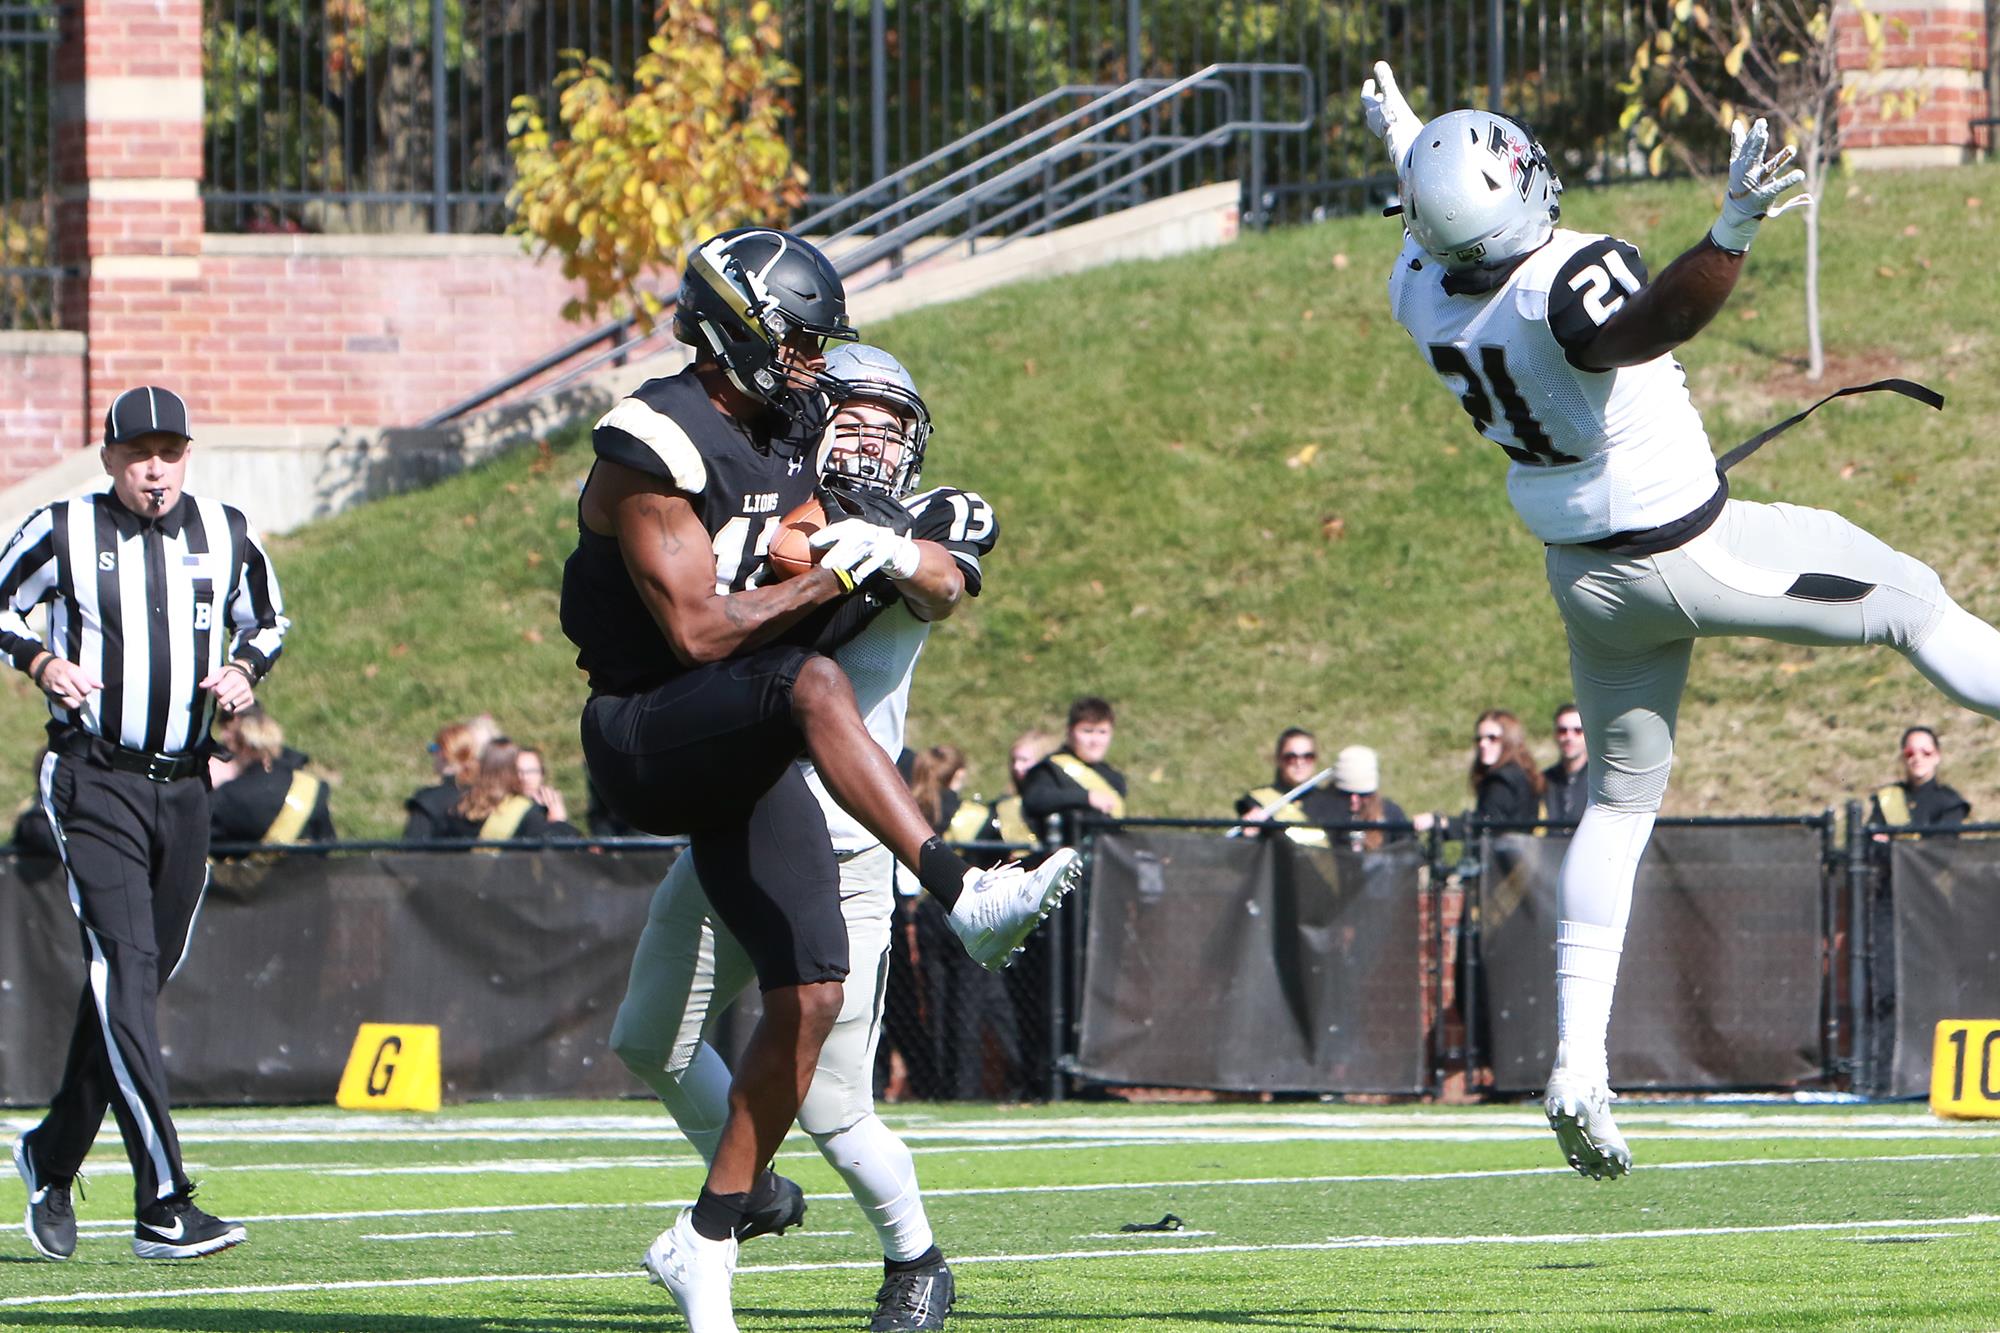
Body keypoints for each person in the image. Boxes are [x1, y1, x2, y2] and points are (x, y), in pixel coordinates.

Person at [1362, 65, 2000, 1179]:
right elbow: (1646, 323)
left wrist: (1414, 141)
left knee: (1614, 804)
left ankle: (1575, 1063)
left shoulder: (1415, 286)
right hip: (1691, 552)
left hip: (1585, 578)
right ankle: (1576, 1067)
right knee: (1909, 602)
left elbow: (1442, 225)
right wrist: (1731, 228)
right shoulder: (1560, 284)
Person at [561, 237, 1077, 1333]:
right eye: (852, 412)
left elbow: (941, 580)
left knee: (838, 1100)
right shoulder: (746, 464)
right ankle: (734, 1201)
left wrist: (870, 550)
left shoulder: (915, 516)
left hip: (850, 832)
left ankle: (913, 1259)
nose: (868, 437)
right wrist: (822, 549)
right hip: (732, 771)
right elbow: (709, 606)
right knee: (646, 1035)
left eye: (894, 424)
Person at [0, 383, 286, 1260]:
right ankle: (164, 1199)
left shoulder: (227, 531)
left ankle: (51, 1148)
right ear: (110, 461)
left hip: (185, 785)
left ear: (187, 456)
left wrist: (243, 670)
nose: (153, 469)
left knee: (137, 984)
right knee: (125, 969)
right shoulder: (62, 529)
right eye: (136, 455)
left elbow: (268, 621)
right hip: (95, 779)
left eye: (168, 452)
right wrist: (43, 657)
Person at [404, 738, 576, 843]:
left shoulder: (458, 806)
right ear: (513, 773)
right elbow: (564, 852)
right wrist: (558, 821)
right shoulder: (526, 813)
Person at [208, 705, 334, 845]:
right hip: (314, 865)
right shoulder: (311, 786)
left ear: (244, 747)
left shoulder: (229, 797)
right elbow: (327, 842)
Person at [1414, 710, 1544, 835]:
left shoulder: (1500, 780)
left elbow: (1485, 824)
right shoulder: (1524, 774)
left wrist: (1441, 822)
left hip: (1503, 854)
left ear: (1508, 741)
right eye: (1479, 739)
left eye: (1492, 738)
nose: (1483, 744)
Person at [1019, 697, 1127, 843]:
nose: (1095, 741)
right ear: (1070, 732)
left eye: (1102, 732)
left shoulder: (1114, 778)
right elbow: (1035, 799)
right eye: (1087, 731)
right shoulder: (1050, 769)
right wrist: (1086, 797)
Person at [1235, 727, 1342, 845]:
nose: (1299, 763)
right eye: (1291, 757)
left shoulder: (1333, 803)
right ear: (1278, 759)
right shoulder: (1257, 800)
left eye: (1308, 756)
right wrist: (1249, 833)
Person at [1867, 725, 1969, 833]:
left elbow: (1942, 844)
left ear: (1937, 756)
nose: (1917, 758)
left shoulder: (1950, 801)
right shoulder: (1887, 797)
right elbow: (1870, 839)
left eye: (1926, 752)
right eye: (1910, 753)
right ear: (1902, 758)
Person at [1326, 744, 1414, 850]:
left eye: (1362, 795)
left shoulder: (1391, 814)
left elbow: (1410, 851)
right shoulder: (1321, 812)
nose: (1354, 800)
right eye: (1347, 794)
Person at [404, 720, 482, 840]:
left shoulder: (428, 800)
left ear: (442, 753)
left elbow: (410, 851)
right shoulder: (487, 798)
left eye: (433, 748)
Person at [1542, 703, 1590, 826]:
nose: (1569, 737)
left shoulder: (1600, 780)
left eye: (1578, 731)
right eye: (1562, 731)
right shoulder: (1543, 780)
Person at [515, 744, 572, 828]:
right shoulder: (504, 807)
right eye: (518, 771)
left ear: (542, 773)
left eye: (532, 771)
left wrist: (559, 821)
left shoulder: (551, 804)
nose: (525, 777)